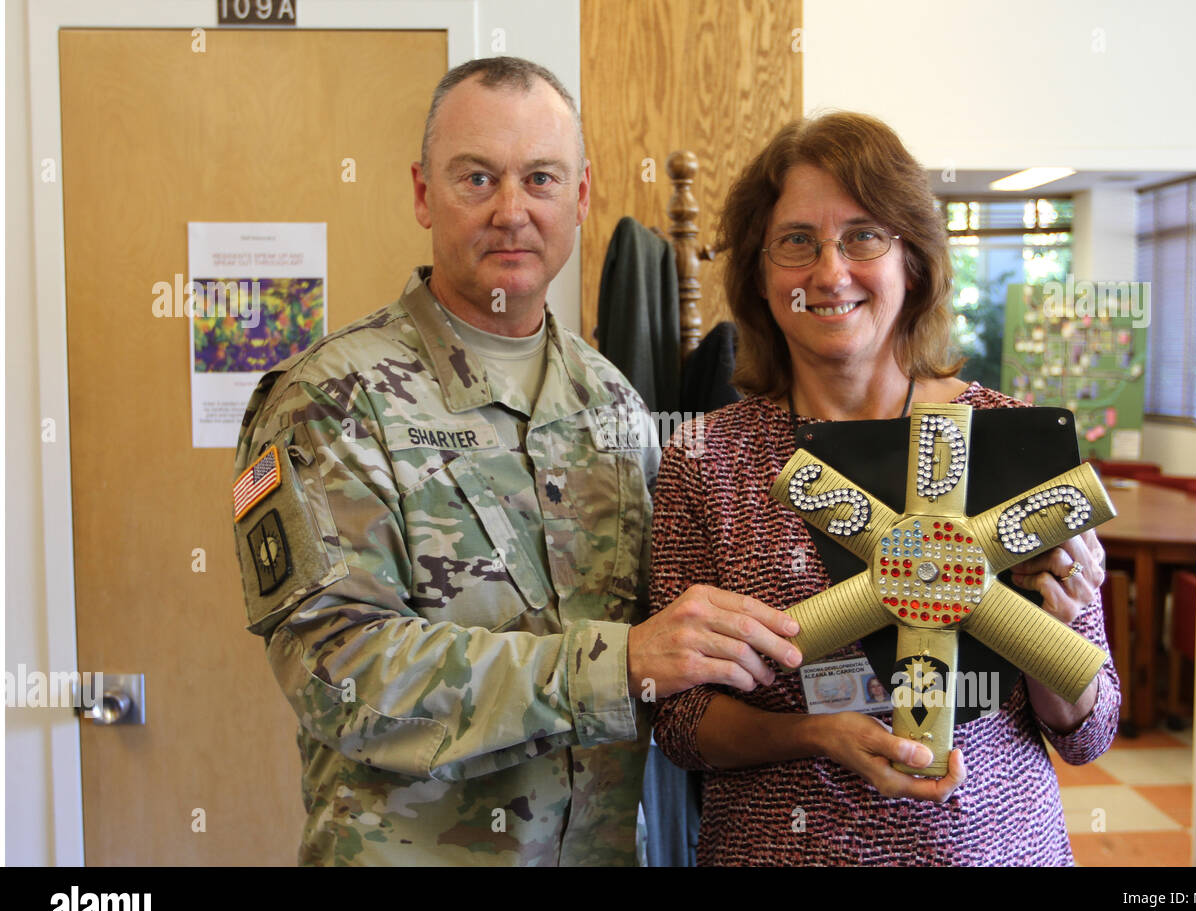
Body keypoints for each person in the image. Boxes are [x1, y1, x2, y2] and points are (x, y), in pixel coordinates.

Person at [230, 56, 801, 866]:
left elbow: (679, 641)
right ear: (425, 193)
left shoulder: (612, 406)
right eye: (477, 179)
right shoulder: (332, 400)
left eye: (540, 178)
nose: (511, 211)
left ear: (580, 197)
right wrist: (612, 668)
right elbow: (339, 674)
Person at [650, 111, 1117, 865]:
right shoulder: (708, 457)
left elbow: (1089, 733)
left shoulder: (1012, 442)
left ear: (915, 261)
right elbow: (677, 723)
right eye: (796, 241)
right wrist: (813, 734)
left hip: (994, 849)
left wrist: (1055, 633)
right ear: (761, 276)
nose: (829, 272)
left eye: (864, 236)